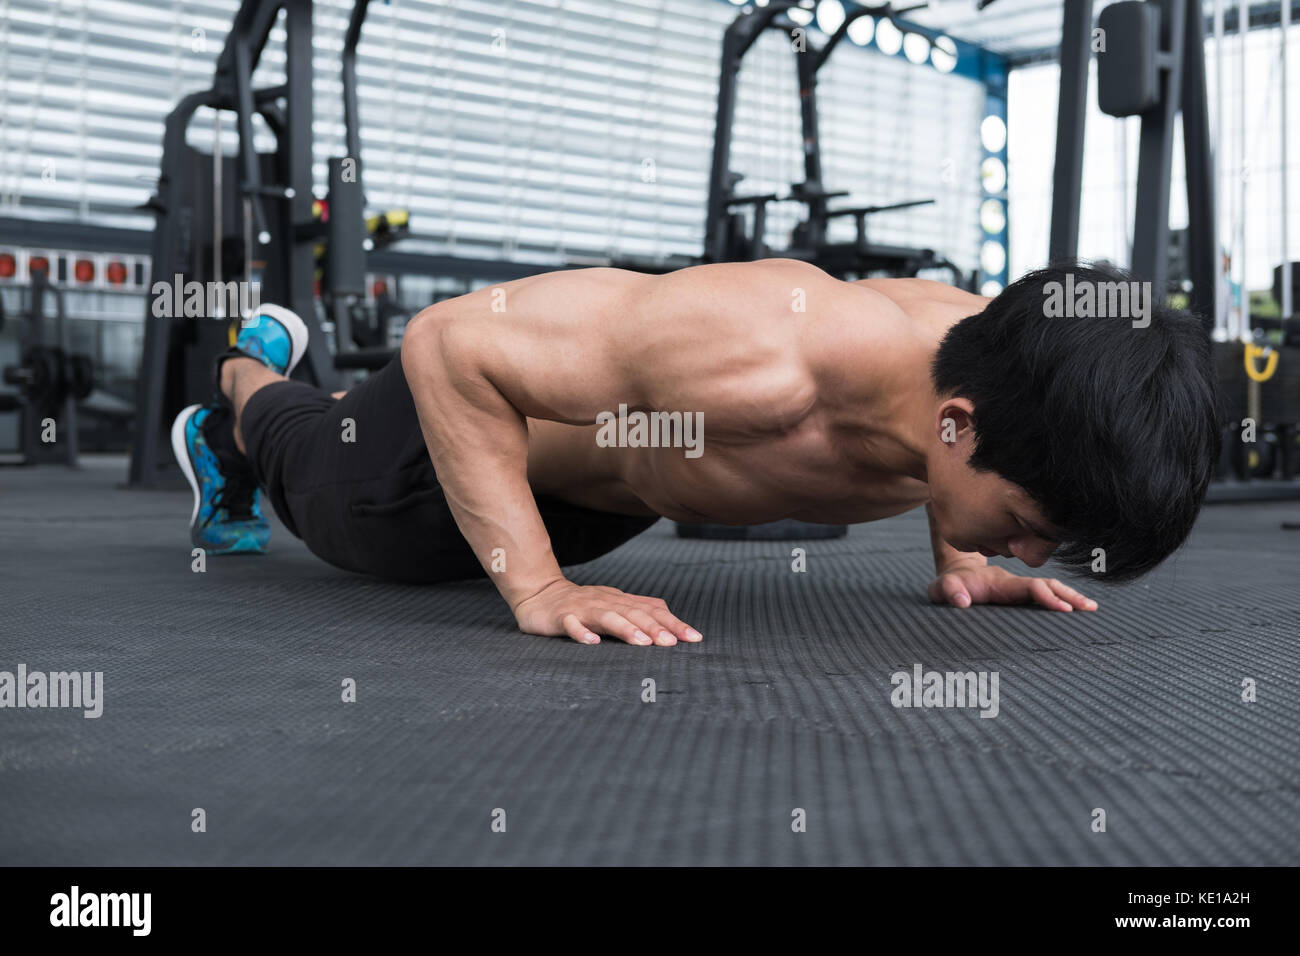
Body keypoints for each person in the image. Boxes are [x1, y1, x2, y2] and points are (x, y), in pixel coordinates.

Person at [172, 260, 1221, 647]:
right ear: (956, 425)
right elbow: (449, 341)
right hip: (464, 464)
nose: (1033, 554)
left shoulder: (986, 364)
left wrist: (964, 557)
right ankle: (246, 377)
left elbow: (955, 456)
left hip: (606, 489)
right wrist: (536, 586)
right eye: (1030, 528)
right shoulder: (761, 356)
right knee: (318, 479)